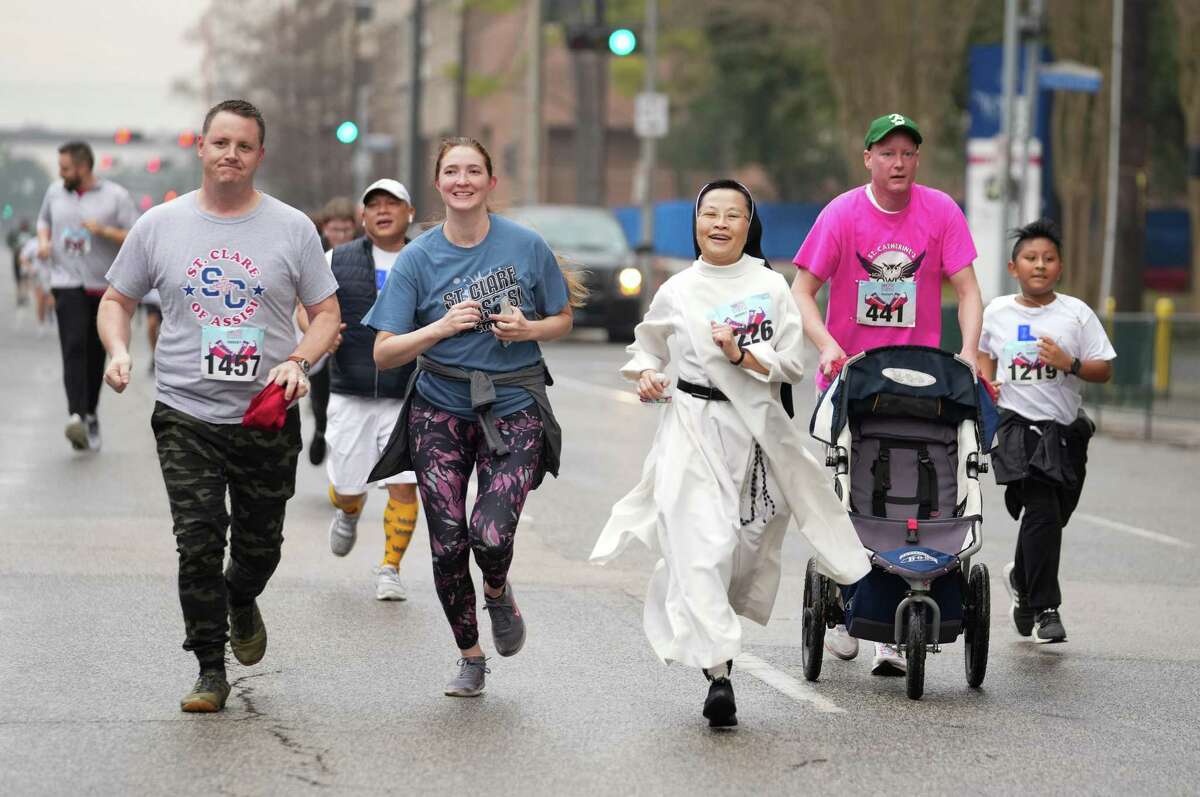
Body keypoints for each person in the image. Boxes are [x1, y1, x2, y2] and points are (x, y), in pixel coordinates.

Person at [591, 180, 871, 728]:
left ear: (748, 224)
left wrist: (742, 353)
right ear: (696, 223)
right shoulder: (677, 289)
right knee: (702, 545)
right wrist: (648, 376)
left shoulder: (769, 286)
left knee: (741, 552)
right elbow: (645, 348)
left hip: (755, 436)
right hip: (690, 428)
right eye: (710, 214)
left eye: (732, 215)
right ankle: (720, 674)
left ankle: (715, 641)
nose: (719, 224)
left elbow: (792, 363)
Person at [97, 99, 341, 713]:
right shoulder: (160, 225)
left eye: (244, 145)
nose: (231, 154)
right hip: (185, 411)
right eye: (220, 142)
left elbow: (327, 315)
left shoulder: (292, 228)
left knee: (260, 549)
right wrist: (118, 351)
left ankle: (241, 597)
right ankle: (210, 668)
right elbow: (116, 300)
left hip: (266, 411)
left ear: (260, 155)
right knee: (198, 541)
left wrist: (298, 361)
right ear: (200, 148)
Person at [364, 137, 581, 698]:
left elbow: (562, 317)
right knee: (446, 541)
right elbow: (384, 352)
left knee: (489, 532)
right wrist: (439, 328)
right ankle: (470, 656)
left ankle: (499, 589)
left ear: (490, 182)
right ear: (438, 184)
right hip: (438, 406)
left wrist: (528, 329)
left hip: (513, 403)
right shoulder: (418, 257)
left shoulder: (526, 246)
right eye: (451, 172)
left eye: (473, 171)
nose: (462, 180)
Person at [791, 112, 983, 676]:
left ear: (916, 161)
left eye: (908, 154)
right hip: (851, 379)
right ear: (868, 158)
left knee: (910, 492)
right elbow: (802, 289)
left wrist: (969, 352)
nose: (898, 163)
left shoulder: (941, 211)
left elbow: (968, 288)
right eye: (887, 153)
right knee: (846, 490)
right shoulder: (843, 214)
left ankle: (890, 632)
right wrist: (825, 343)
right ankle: (848, 598)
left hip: (920, 386)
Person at [977, 219, 1115, 645]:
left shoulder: (1076, 313)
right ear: (1014, 267)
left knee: (1054, 514)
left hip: (1066, 432)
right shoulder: (998, 311)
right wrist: (989, 384)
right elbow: (984, 355)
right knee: (1041, 508)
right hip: (1018, 427)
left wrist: (1068, 362)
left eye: (1048, 259)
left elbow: (1104, 369)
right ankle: (1046, 610)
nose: (1039, 265)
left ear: (1060, 267)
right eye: (1030, 258)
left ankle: (1022, 580)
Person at [324, 178, 421, 601]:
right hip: (351, 390)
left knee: (404, 483)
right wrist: (319, 332)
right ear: (362, 216)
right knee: (348, 487)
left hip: (409, 394)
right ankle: (348, 512)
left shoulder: (427, 259)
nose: (383, 211)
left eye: (393, 204)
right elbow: (307, 310)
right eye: (374, 205)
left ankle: (390, 568)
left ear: (409, 213)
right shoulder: (335, 259)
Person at [36, 141, 138, 451]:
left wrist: (104, 231)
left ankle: (91, 412)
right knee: (73, 346)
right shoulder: (55, 192)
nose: (61, 173)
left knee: (96, 354)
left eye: (65, 168)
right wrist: (43, 241)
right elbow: (44, 221)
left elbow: (135, 236)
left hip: (101, 286)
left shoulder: (115, 196)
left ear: (83, 167)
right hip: (66, 282)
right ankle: (75, 416)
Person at [303, 197, 359, 465]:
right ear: (325, 229)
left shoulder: (361, 258)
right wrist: (320, 336)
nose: (341, 236)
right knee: (321, 391)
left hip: (351, 335)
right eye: (336, 230)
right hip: (324, 338)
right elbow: (300, 308)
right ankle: (320, 427)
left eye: (347, 230)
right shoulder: (318, 257)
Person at [18, 234, 55, 332]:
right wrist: (30, 268)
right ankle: (41, 323)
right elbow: (23, 257)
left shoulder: (54, 241)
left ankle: (50, 312)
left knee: (51, 300)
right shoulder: (32, 242)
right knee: (40, 299)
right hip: (38, 274)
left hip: (53, 275)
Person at [7, 218, 34, 307]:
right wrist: (14, 248)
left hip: (28, 259)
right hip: (17, 257)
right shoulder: (15, 232)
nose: (24, 226)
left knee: (26, 278)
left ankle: (25, 296)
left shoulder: (31, 232)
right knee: (18, 279)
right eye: (23, 225)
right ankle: (19, 296)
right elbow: (9, 240)